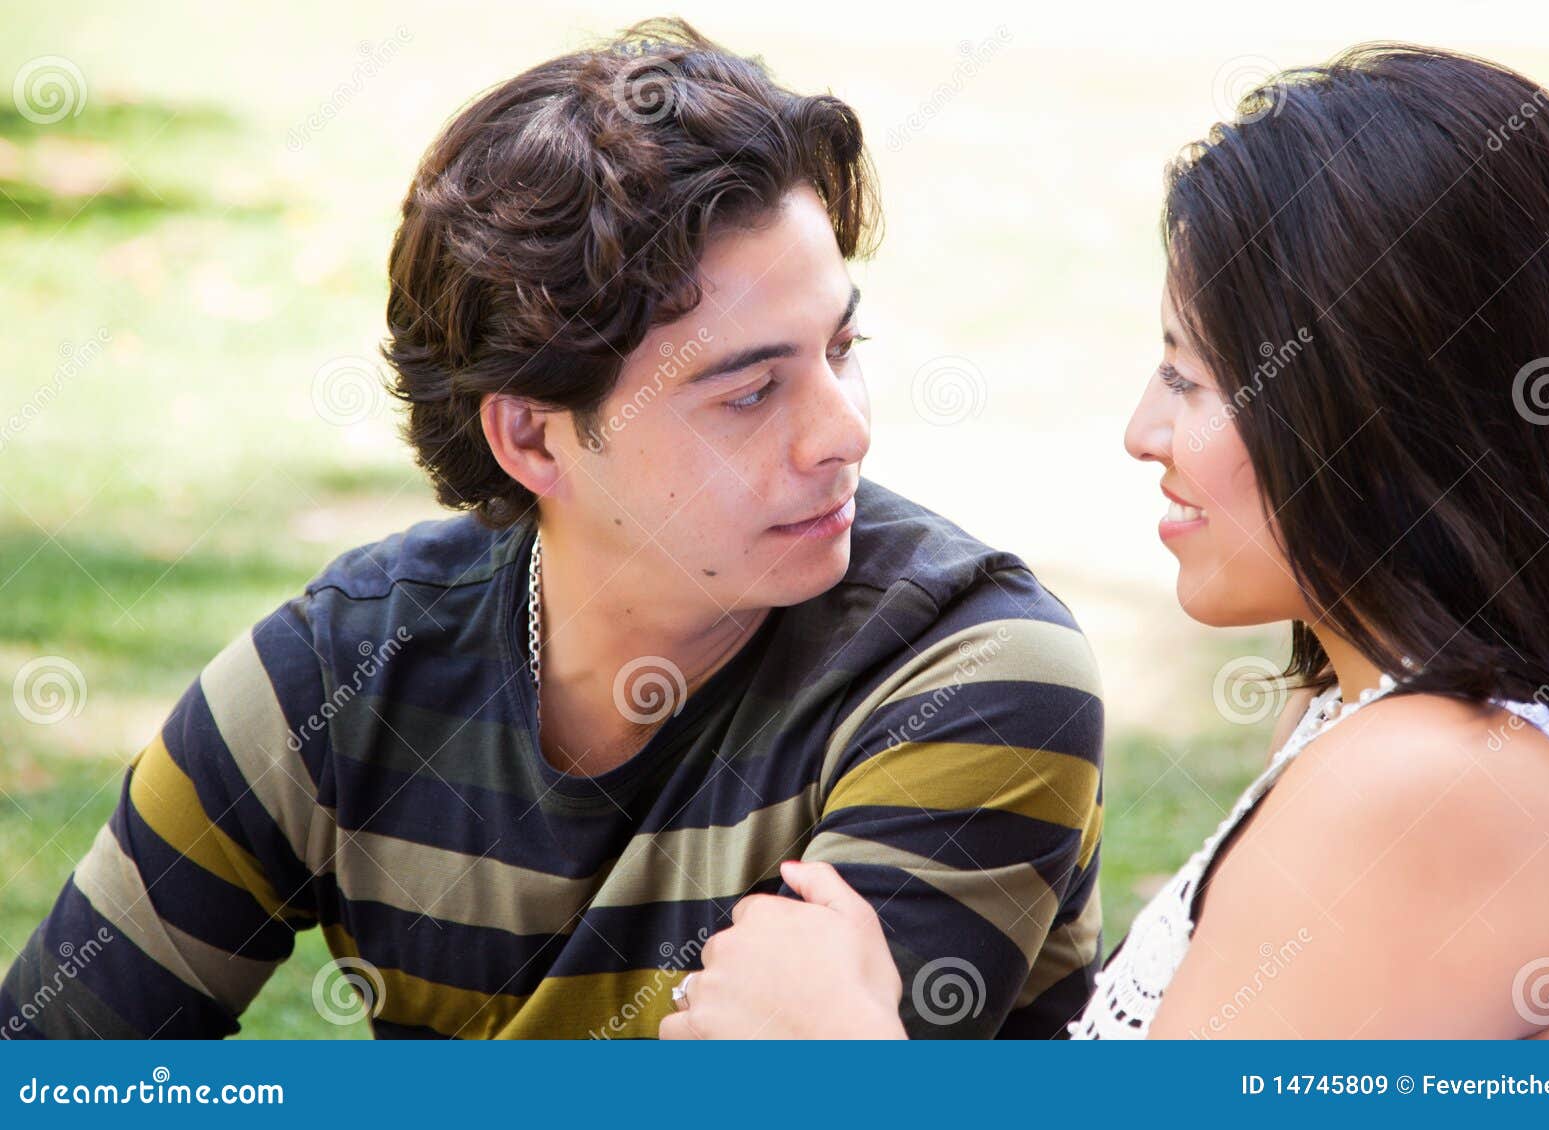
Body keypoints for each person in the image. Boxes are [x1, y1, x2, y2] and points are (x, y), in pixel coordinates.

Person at [0, 19, 1106, 1041]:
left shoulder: (975, 675)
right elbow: (54, 1063)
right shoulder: (335, 678)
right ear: (533, 440)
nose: (845, 432)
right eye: (748, 392)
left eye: (840, 348)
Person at [660, 43, 1549, 1040]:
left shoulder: (1425, 787)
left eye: (1187, 378)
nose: (1141, 430)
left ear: (1374, 410)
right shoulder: (1360, 709)